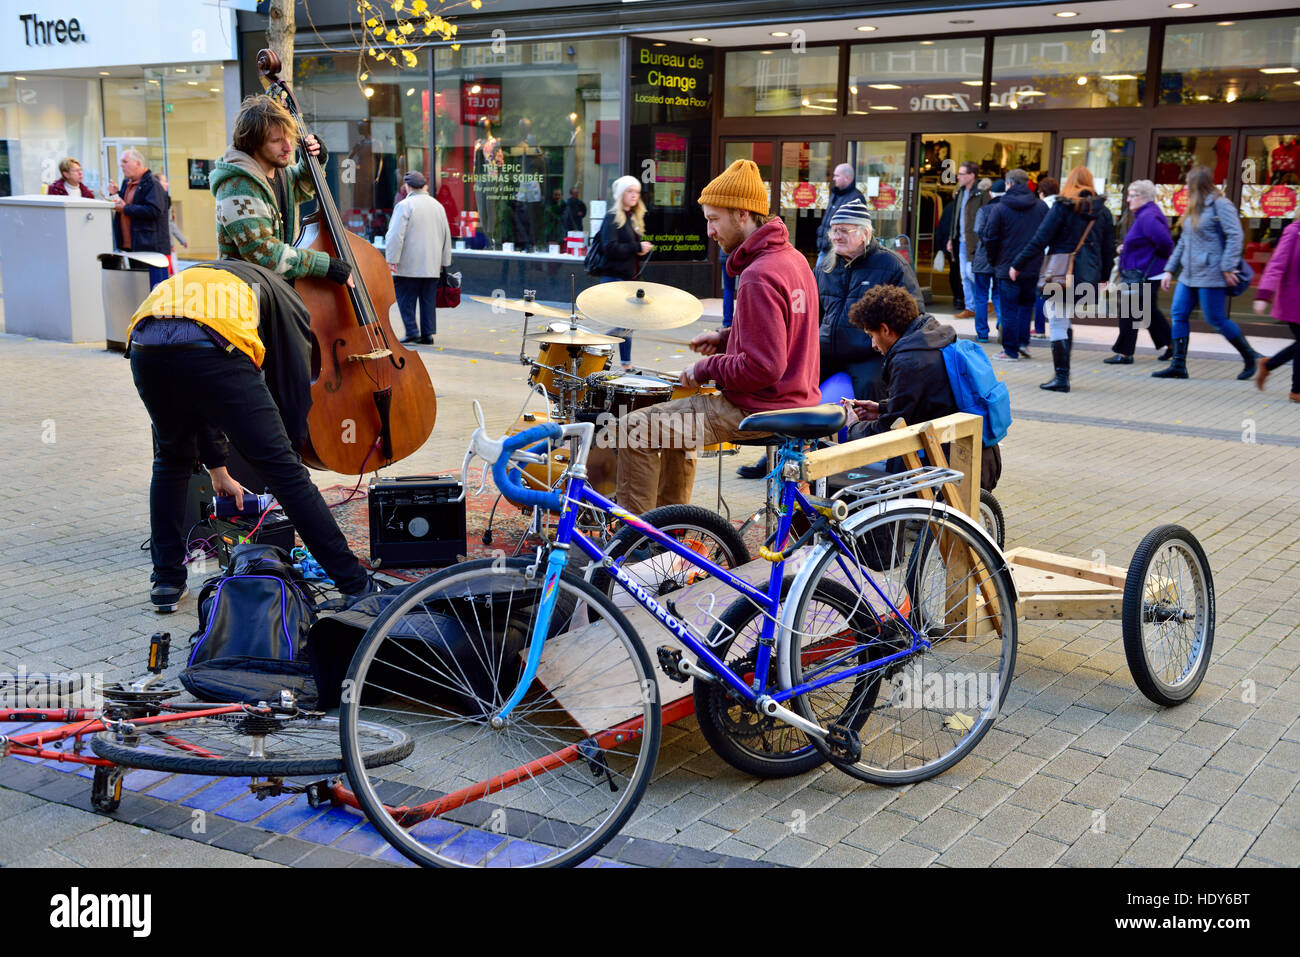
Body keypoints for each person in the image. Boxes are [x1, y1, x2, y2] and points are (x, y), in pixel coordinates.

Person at [126, 261, 372, 612]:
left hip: (146, 345)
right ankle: (355, 584)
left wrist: (218, 470)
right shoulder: (285, 296)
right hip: (212, 347)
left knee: (171, 457)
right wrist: (290, 446)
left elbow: (197, 394)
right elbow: (292, 379)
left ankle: (166, 582)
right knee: (287, 476)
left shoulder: (206, 274)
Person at [588, 159, 820, 516]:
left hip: (757, 407)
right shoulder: (793, 260)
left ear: (742, 214)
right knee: (667, 427)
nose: (709, 230)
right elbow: (783, 331)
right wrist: (727, 337)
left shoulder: (759, 273)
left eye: (714, 219)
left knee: (631, 430)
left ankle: (632, 543)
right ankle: (672, 531)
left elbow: (764, 367)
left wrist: (707, 367)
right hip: (795, 399)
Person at [736, 197, 922, 479]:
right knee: (792, 387)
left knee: (872, 389)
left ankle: (870, 463)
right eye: (833, 229)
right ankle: (775, 458)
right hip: (826, 350)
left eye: (844, 230)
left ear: (865, 233)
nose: (836, 236)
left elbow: (913, 311)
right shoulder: (825, 267)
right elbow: (808, 311)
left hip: (868, 354)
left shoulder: (891, 265)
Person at [841, 285, 1001, 491]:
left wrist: (853, 427)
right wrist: (881, 408)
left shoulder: (909, 361)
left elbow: (891, 431)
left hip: (949, 467)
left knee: (852, 469)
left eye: (871, 335)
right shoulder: (931, 336)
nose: (872, 344)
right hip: (978, 456)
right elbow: (928, 401)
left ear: (885, 329)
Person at [209, 94, 353, 287]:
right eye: (277, 140)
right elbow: (264, 254)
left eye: (289, 137)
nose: (287, 147)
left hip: (274, 289)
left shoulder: (280, 173)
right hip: (247, 297)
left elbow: (302, 188)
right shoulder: (237, 187)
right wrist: (325, 265)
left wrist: (314, 162)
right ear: (253, 143)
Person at [1010, 165, 1114, 393]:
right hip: (1087, 274)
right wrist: (1104, 277)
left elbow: (1040, 239)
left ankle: (1061, 377)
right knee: (1064, 319)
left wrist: (1018, 263)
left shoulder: (1063, 207)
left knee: (1057, 320)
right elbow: (1108, 249)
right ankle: (1062, 375)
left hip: (1060, 273)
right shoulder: (1103, 212)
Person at [1154, 165, 1259, 381]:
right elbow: (1183, 241)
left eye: (1188, 182)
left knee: (1216, 319)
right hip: (1188, 274)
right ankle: (1178, 365)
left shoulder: (1221, 205)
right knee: (1178, 313)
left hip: (1212, 272)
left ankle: (1251, 357)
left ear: (1197, 184)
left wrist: (1228, 266)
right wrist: (1169, 270)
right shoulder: (1195, 206)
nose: (1184, 186)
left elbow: (1235, 235)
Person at [981, 169, 1048, 362]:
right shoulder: (1041, 207)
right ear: (1027, 183)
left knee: (1009, 308)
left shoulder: (1000, 208)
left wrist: (994, 261)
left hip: (1006, 266)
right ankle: (1022, 343)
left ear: (1009, 184)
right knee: (1026, 305)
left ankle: (1010, 350)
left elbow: (990, 238)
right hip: (1032, 265)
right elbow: (1046, 235)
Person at [1108, 179, 1173, 365]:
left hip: (1143, 272)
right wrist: (1126, 248)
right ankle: (1171, 344)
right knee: (1146, 311)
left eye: (1131, 195)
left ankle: (1124, 353)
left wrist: (1151, 259)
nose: (1128, 200)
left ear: (1142, 197)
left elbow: (1166, 243)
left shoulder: (1149, 216)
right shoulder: (1146, 214)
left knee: (1130, 311)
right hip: (1143, 271)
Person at [385, 170, 452, 345]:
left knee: (405, 298)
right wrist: (444, 262)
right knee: (428, 299)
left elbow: (395, 235)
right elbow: (446, 236)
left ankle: (412, 331)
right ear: (424, 186)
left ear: (407, 187)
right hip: (432, 265)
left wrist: (392, 259)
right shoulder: (438, 206)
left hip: (409, 265)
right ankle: (428, 334)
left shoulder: (405, 205)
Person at [595, 175, 653, 370]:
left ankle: (624, 363)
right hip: (613, 278)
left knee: (628, 323)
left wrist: (641, 250)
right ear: (621, 194)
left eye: (637, 192)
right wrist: (636, 246)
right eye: (630, 191)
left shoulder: (633, 217)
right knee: (625, 322)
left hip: (629, 278)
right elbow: (609, 247)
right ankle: (603, 347)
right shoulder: (612, 217)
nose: (634, 195)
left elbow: (629, 250)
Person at [1251, 219, 1300, 402]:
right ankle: (1296, 391)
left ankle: (1269, 364)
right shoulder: (1294, 231)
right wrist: (1263, 296)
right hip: (1294, 299)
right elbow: (1276, 264)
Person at [109, 149, 171, 287]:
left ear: (137, 163)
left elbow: (154, 210)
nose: (121, 165)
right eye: (121, 162)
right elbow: (126, 204)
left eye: (125, 162)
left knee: (148, 287)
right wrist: (115, 194)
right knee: (136, 287)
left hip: (148, 247)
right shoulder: (127, 183)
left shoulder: (152, 184)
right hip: (132, 246)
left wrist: (125, 209)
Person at [947, 161, 992, 326]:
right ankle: (970, 307)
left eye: (961, 174)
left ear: (971, 176)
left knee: (972, 274)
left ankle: (984, 304)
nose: (958, 176)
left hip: (975, 242)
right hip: (961, 241)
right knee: (964, 276)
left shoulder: (981, 194)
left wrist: (983, 240)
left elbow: (987, 217)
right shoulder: (959, 193)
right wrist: (951, 239)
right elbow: (956, 218)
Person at [969, 177, 1003, 343]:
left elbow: (978, 232)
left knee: (981, 297)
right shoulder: (1009, 210)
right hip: (1002, 259)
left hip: (983, 258)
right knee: (998, 295)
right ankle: (1002, 323)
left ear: (990, 192)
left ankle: (982, 334)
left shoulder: (984, 210)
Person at [816, 163, 866, 269]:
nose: (834, 178)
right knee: (817, 281)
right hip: (824, 249)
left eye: (837, 175)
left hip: (838, 253)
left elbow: (855, 229)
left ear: (847, 177)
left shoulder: (856, 198)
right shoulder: (835, 194)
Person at [1030, 177, 1060, 339]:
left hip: (1044, 254)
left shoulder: (1041, 207)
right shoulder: (1062, 205)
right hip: (1060, 256)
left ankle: (1040, 327)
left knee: (1040, 291)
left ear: (1041, 192)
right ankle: (1056, 327)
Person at [936, 198, 965, 314]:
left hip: (949, 245)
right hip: (959, 244)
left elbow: (942, 226)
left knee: (954, 271)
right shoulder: (964, 206)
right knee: (963, 272)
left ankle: (957, 297)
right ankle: (964, 298)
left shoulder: (948, 207)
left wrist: (939, 246)